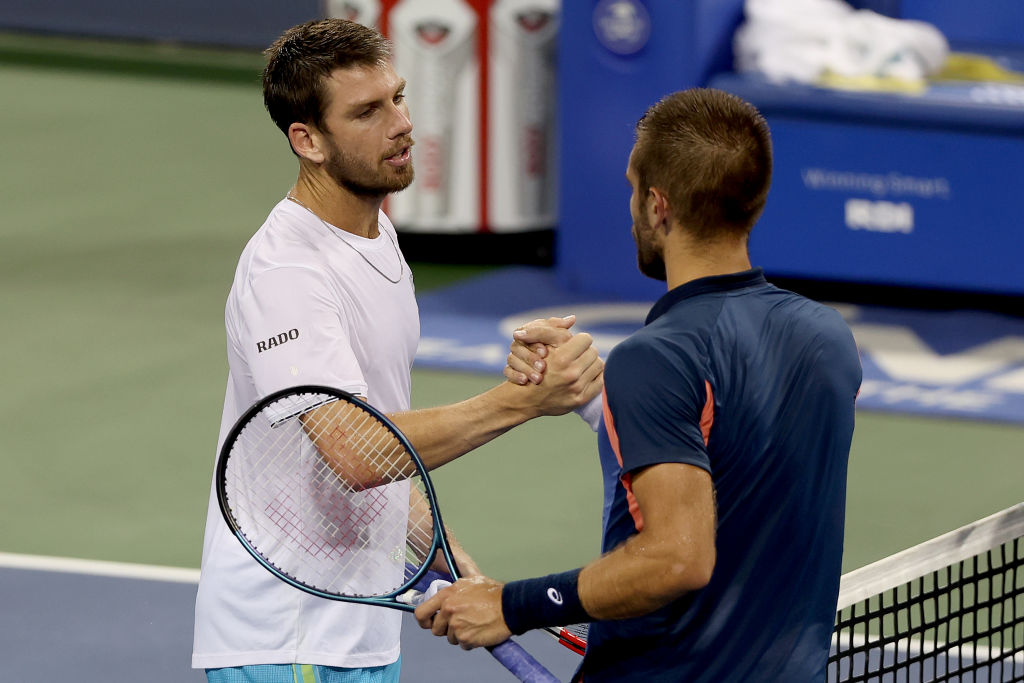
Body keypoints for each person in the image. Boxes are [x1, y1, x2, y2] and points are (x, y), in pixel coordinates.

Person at [191, 18, 603, 683]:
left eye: (399, 98)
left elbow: (376, 431)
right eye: (367, 112)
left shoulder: (377, 232)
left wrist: (433, 545)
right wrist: (522, 402)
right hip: (291, 636)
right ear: (308, 141)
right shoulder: (287, 276)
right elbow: (355, 451)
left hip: (355, 631)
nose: (402, 123)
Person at [415, 87, 862, 682]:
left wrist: (509, 604)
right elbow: (741, 450)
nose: (630, 210)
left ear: (659, 205)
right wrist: (598, 397)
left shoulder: (657, 357)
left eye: (632, 189)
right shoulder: (827, 338)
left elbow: (678, 559)